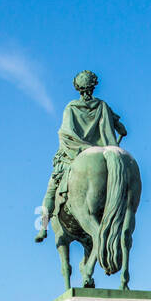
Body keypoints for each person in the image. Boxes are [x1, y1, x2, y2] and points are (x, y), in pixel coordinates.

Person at [35, 70, 127, 244]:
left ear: (77, 88)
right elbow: (122, 130)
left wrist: (81, 146)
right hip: (105, 152)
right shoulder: (103, 106)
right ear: (93, 86)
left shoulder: (71, 108)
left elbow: (65, 134)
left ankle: (43, 228)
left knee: (50, 190)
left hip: (73, 155)